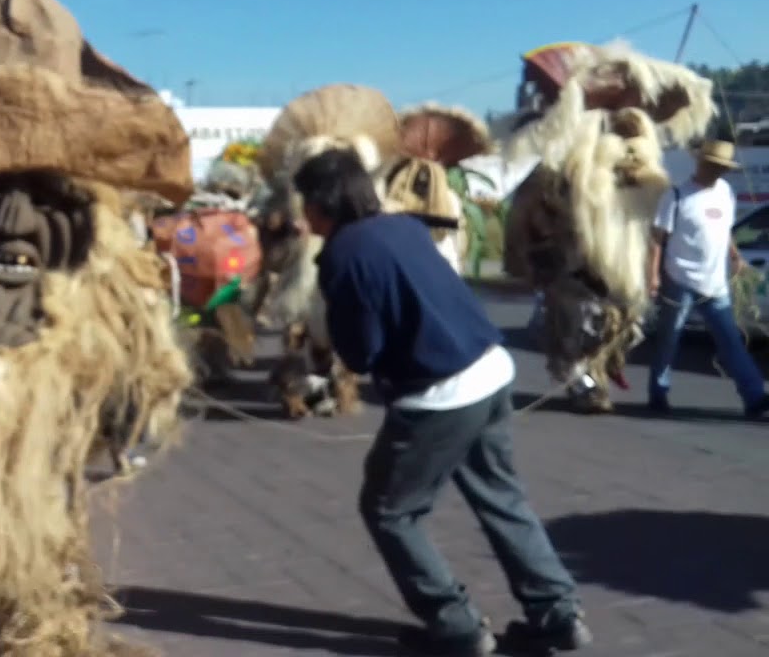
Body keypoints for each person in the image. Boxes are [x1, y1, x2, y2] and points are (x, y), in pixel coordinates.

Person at [294, 148, 591, 656]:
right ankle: (558, 614)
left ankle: (456, 627)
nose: (303, 215)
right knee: (502, 498)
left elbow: (361, 354)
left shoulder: (342, 255)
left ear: (321, 206)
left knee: (389, 509)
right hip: (491, 369)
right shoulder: (404, 227)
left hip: (440, 393)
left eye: (305, 203)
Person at [648, 139, 769, 417]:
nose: (719, 172)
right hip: (679, 280)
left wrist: (735, 254)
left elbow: (723, 230)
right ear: (701, 163)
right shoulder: (677, 196)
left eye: (723, 168)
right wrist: (653, 277)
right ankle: (658, 393)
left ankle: (754, 396)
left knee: (731, 341)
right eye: (715, 166)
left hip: (715, 284)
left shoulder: (725, 192)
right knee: (669, 340)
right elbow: (657, 240)